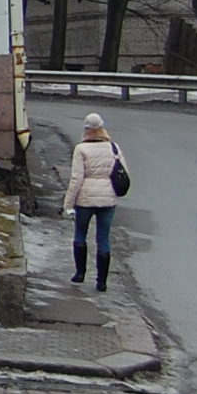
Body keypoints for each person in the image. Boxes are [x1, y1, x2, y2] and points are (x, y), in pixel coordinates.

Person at [62, 111, 125, 291]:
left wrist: (68, 204)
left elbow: (76, 179)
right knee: (103, 238)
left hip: (85, 200)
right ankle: (101, 281)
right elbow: (123, 172)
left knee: (81, 234)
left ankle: (80, 273)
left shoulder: (81, 150)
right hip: (108, 200)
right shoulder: (114, 148)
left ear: (86, 129)